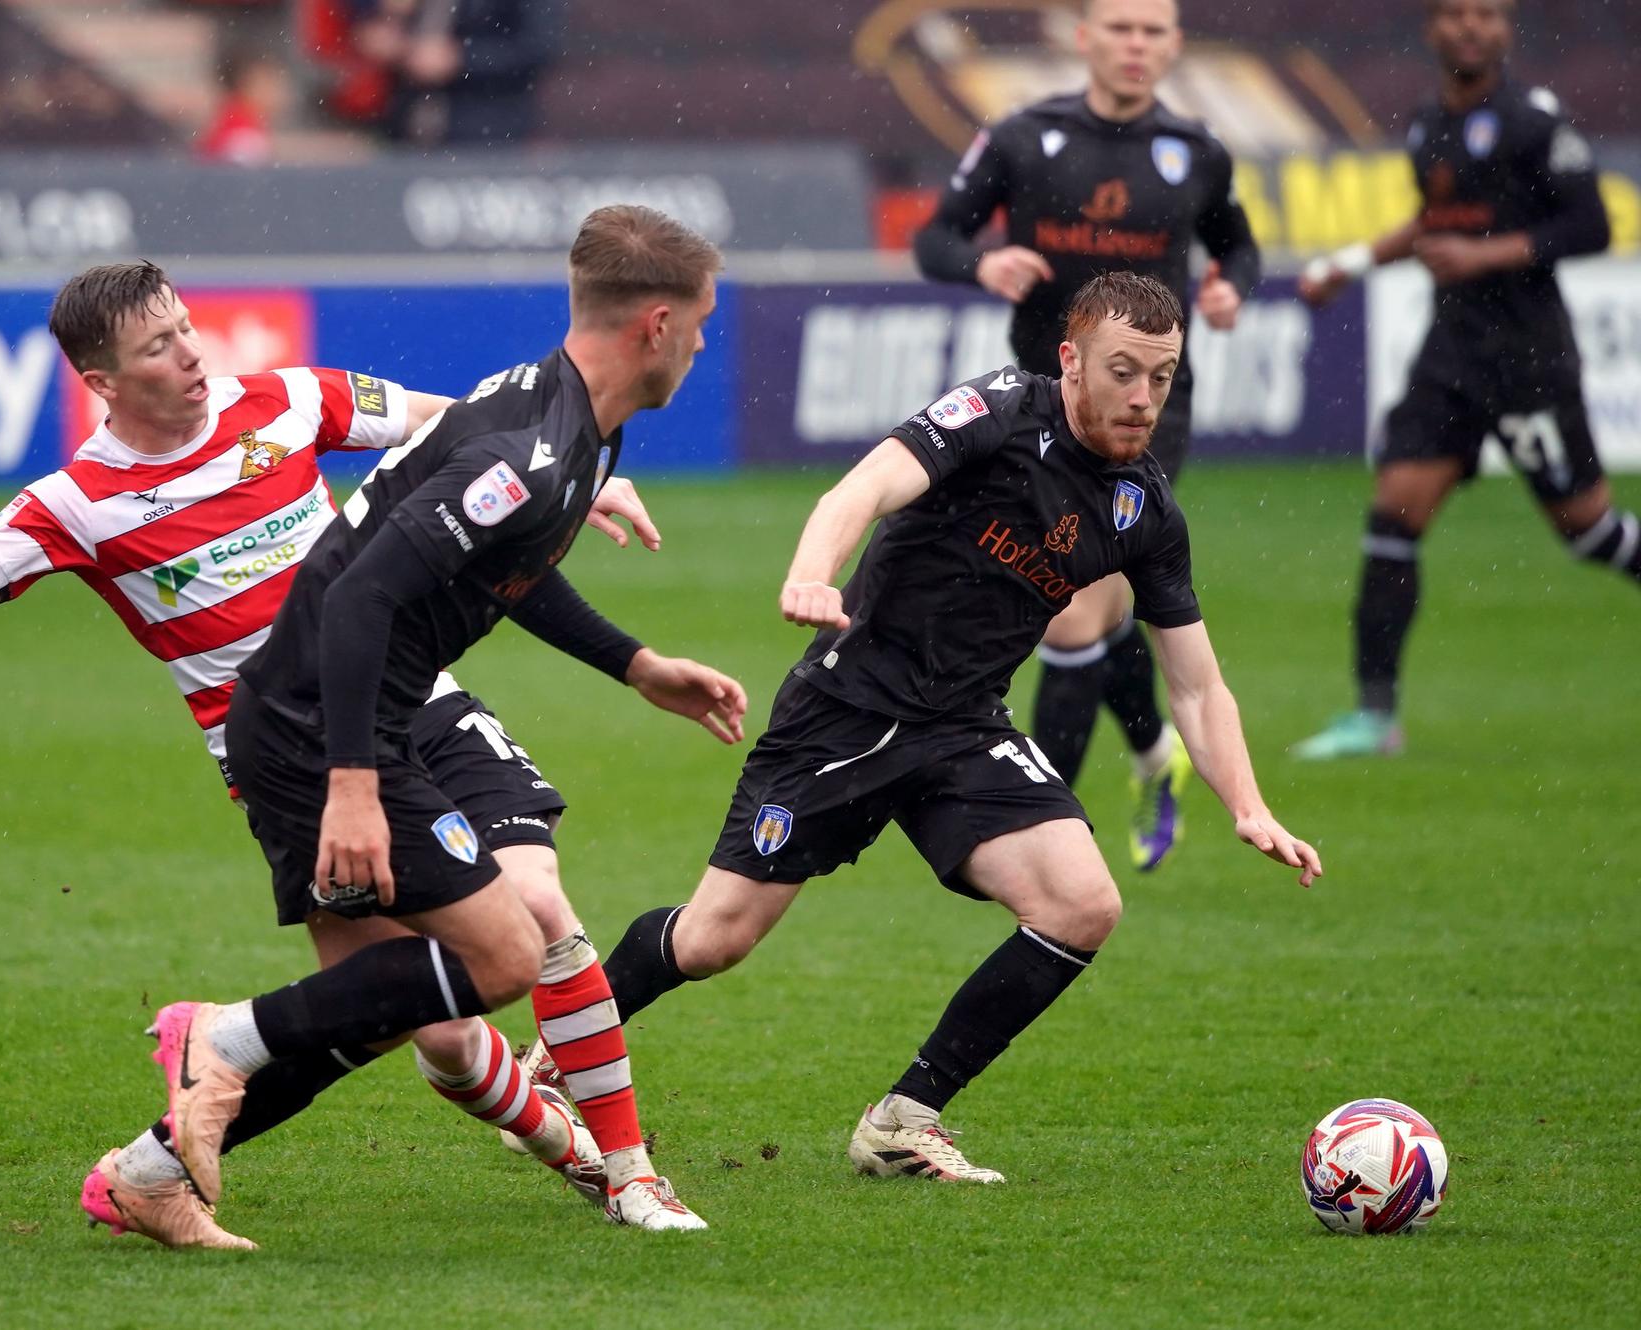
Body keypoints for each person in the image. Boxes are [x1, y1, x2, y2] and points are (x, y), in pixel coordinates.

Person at [0, 259, 685, 1247]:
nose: (190, 354)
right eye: (157, 347)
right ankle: (153, 1168)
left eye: (184, 328)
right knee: (402, 1014)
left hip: (416, 701)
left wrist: (569, 473)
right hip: (295, 756)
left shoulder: (287, 399)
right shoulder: (75, 501)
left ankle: (620, 1170)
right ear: (100, 381)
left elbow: (458, 431)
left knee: (532, 912)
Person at [594, 272, 1320, 1184]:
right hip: (847, 709)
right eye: (1123, 372)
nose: (1143, 399)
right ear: (1071, 359)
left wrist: (1248, 805)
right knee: (713, 941)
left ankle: (904, 1118)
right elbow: (858, 492)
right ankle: (562, 1050)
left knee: (1083, 904)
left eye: (1162, 379)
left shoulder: (1145, 508)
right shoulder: (997, 411)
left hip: (962, 728)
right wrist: (814, 575)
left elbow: (1198, 685)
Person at [133, 204, 742, 1235]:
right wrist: (355, 784)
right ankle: (219, 1036)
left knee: (391, 1004)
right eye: (697, 320)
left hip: (366, 711)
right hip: (312, 727)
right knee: (499, 960)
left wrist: (636, 665)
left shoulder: (578, 430)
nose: (700, 339)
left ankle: (151, 1175)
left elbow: (505, 567)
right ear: (651, 322)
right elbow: (364, 598)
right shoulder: (526, 448)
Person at [912, 0, 1259, 871]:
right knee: (1080, 608)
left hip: (1146, 419)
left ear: (1175, 46)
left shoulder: (1198, 152)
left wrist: (1229, 288)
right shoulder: (1024, 138)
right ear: (1084, 38)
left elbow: (1239, 248)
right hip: (1035, 409)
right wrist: (982, 262)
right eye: (1120, 28)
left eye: (1153, 32)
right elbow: (935, 237)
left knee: (1068, 616)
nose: (1136, 45)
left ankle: (1033, 832)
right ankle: (1152, 750)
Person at [1292, 0, 1622, 759]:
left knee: (1590, 533)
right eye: (1456, 14)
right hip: (1453, 356)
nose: (1471, 27)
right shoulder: (1424, 124)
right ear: (1433, 30)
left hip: (1529, 357)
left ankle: (1375, 717)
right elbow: (1431, 221)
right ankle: (1376, 719)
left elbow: (1591, 226)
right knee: (1394, 514)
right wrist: (1345, 265)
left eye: (1486, 14)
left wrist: (1488, 254)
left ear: (1505, 32)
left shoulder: (1535, 119)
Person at [351, 0, 559, 144]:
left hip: (489, 131)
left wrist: (462, 58)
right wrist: (389, 30)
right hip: (407, 128)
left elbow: (538, 47)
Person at [197, 47, 293, 164]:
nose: (279, 92)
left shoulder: (233, 124)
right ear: (247, 86)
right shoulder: (245, 139)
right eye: (271, 83)